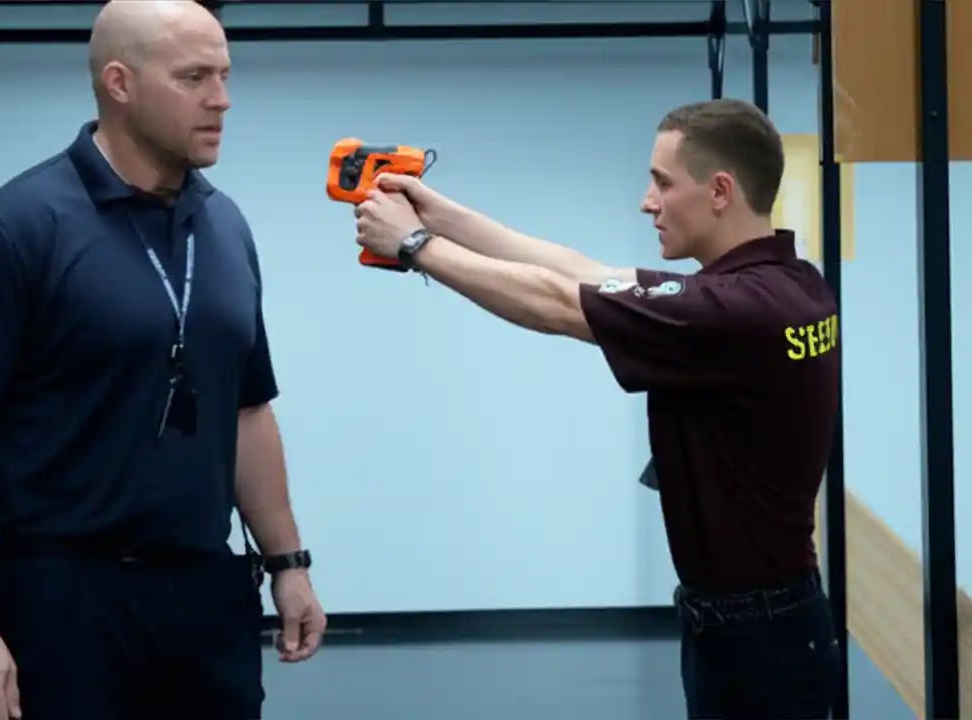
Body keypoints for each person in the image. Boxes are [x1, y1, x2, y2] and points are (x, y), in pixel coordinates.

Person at [353, 98, 842, 718]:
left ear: (720, 191)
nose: (647, 201)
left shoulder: (729, 312)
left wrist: (414, 246)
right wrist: (439, 214)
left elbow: (558, 302)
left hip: (758, 637)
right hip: (766, 621)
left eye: (663, 182)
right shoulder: (791, 285)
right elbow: (580, 271)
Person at [0, 2, 325, 718]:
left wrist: (288, 562)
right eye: (193, 77)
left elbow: (247, 409)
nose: (221, 99)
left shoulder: (223, 225)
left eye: (224, 75)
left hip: (205, 598)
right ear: (119, 83)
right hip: (60, 603)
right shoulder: (14, 229)